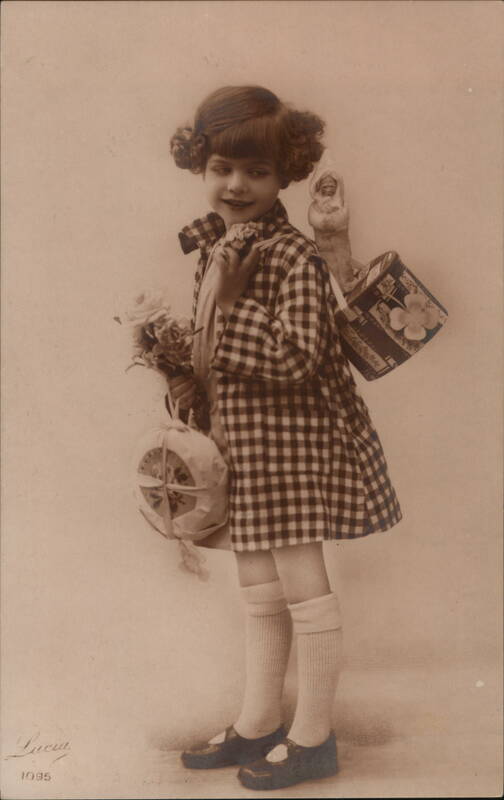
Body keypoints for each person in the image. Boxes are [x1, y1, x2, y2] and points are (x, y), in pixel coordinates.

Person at [168, 85, 402, 791]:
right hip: (244, 438)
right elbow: (211, 345)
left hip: (293, 440)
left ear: (284, 176)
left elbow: (301, 356)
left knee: (301, 578)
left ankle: (314, 736)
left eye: (257, 172)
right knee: (257, 580)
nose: (236, 185)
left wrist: (232, 311)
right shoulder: (218, 246)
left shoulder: (293, 256)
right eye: (221, 168)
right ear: (200, 167)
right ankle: (259, 722)